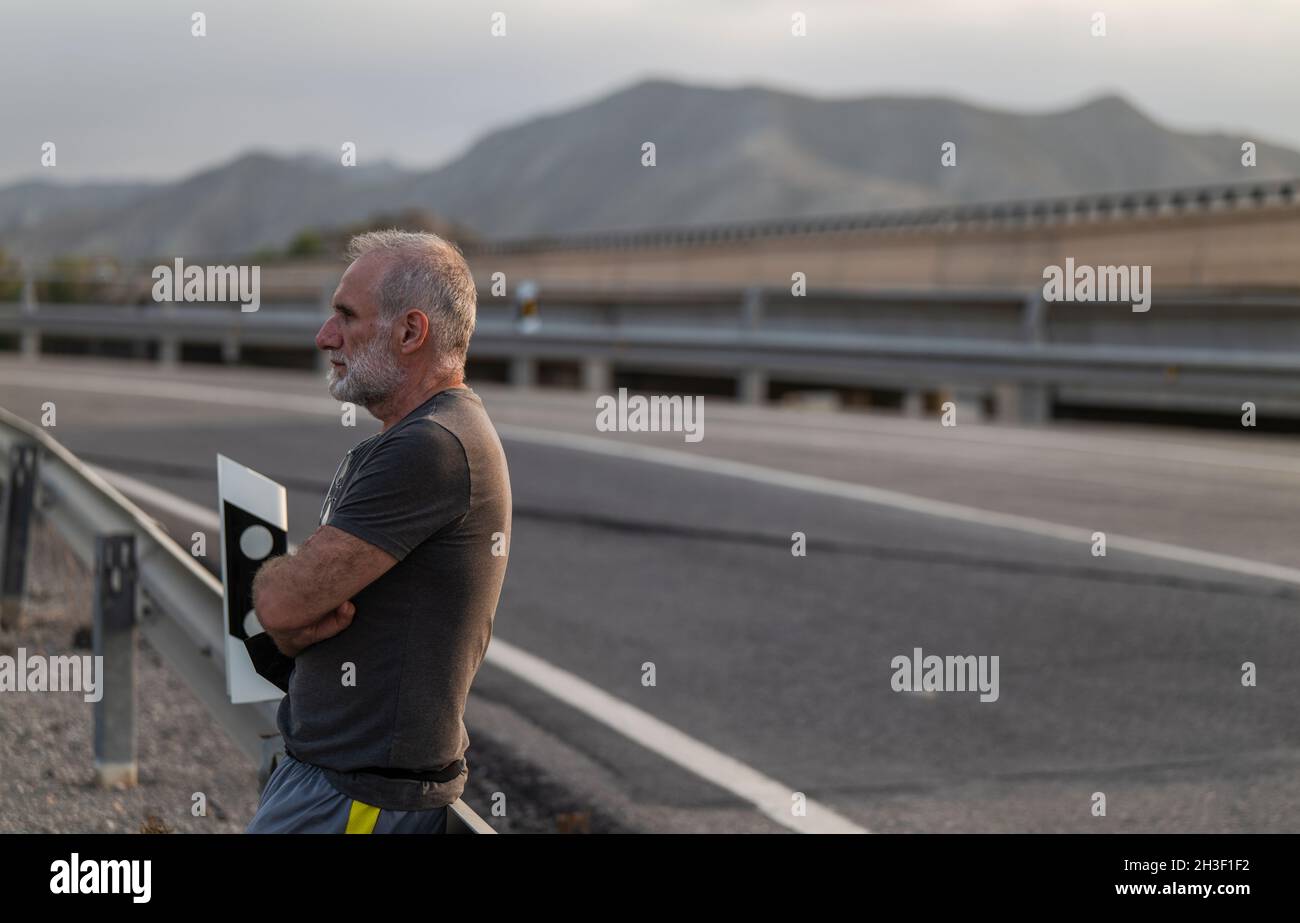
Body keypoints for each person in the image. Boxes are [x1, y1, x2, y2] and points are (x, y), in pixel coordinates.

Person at [243, 230, 511, 833]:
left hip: (358, 798)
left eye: (345, 315)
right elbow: (294, 619)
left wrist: (284, 604)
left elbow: (281, 601)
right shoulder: (410, 439)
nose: (324, 336)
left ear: (411, 332)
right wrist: (292, 625)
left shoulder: (431, 447)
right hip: (336, 782)